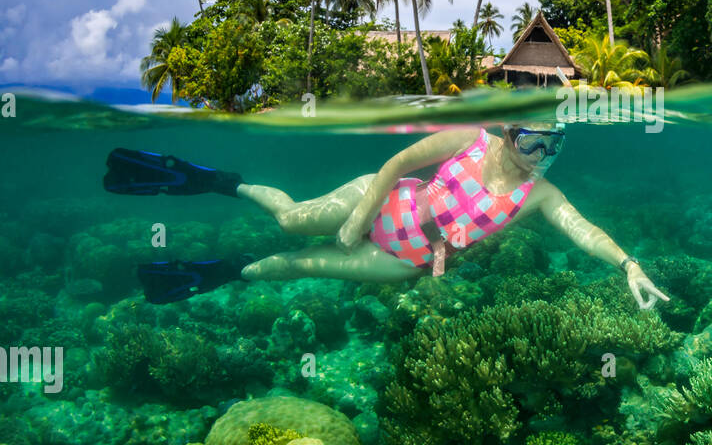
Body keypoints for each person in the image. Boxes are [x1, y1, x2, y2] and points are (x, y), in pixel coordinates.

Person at [103, 123, 669, 311]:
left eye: (553, 147)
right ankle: (218, 182)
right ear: (509, 133)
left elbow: (582, 228)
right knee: (292, 222)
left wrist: (627, 264)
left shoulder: (541, 194)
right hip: (380, 199)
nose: (540, 156)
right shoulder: (470, 140)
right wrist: (361, 214)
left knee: (304, 266)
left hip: (405, 261)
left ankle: (219, 272)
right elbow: (399, 160)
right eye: (533, 142)